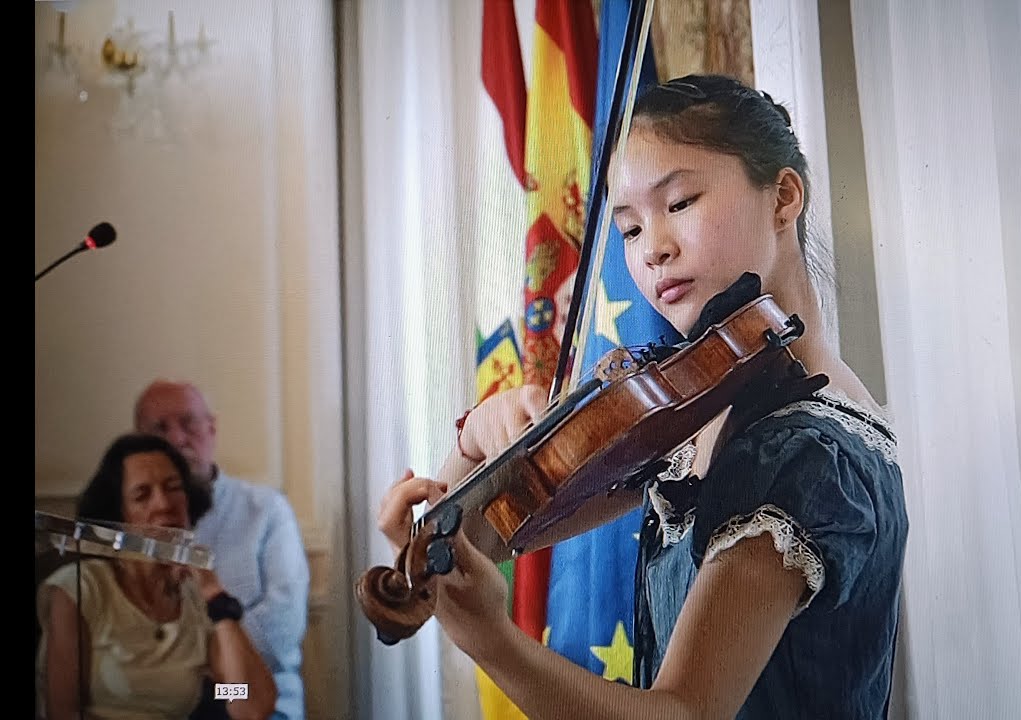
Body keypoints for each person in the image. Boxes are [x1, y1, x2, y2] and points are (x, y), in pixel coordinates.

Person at [376, 73, 909, 719]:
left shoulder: (806, 452)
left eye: (679, 203)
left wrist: (493, 640)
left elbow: (685, 712)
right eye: (629, 229)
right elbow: (487, 541)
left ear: (783, 197)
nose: (653, 249)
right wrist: (472, 445)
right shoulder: (696, 410)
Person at [35, 433, 278, 720]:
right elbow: (62, 710)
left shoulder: (196, 603)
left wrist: (216, 598)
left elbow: (247, 700)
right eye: (142, 495)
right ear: (119, 514)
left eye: (174, 488)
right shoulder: (83, 589)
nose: (164, 504)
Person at [133, 380, 310, 720]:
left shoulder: (267, 509)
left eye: (188, 423)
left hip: (251, 689)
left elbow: (283, 627)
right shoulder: (130, 524)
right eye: (160, 429)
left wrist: (197, 668)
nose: (176, 439)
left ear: (211, 429)